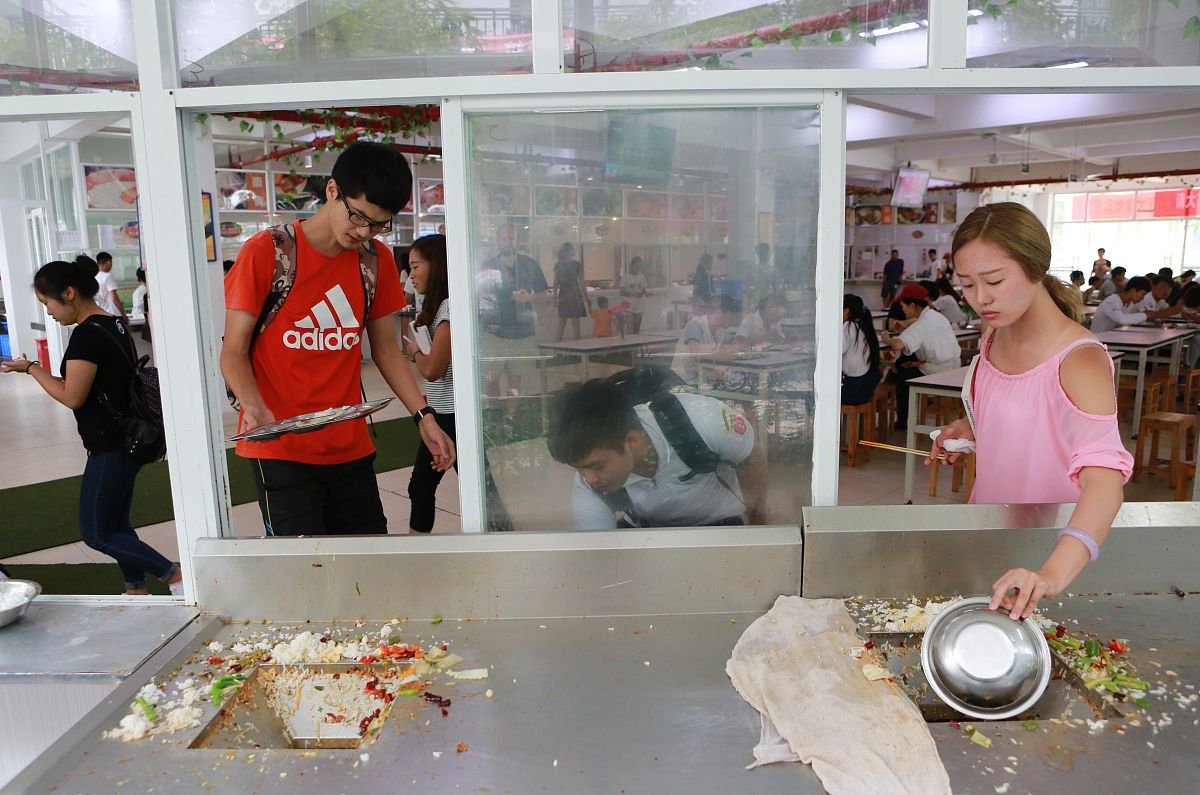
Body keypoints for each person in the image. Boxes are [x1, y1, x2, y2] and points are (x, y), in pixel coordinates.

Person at [221, 141, 454, 536]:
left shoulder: (374, 259)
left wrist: (423, 415)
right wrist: (253, 404)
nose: (364, 231)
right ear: (332, 192)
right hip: (281, 446)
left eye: (379, 224)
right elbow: (233, 350)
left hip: (350, 444)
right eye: (358, 216)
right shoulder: (268, 252)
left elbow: (385, 349)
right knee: (306, 573)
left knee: (366, 565)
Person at [929, 202, 1134, 621]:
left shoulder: (1078, 360)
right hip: (987, 530)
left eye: (995, 281)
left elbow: (1105, 481)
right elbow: (1018, 411)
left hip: (1050, 552)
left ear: (1036, 268)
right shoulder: (993, 333)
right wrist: (971, 427)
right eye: (967, 285)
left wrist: (1051, 574)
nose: (980, 299)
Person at [1, 260, 183, 596]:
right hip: (130, 436)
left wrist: (31, 368)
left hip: (111, 443)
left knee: (97, 532)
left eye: (48, 303)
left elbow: (72, 395)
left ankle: (174, 575)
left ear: (68, 293)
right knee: (117, 524)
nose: (51, 312)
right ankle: (135, 589)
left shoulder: (85, 335)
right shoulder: (112, 324)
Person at [547, 377, 768, 529]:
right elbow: (598, 555)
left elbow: (750, 458)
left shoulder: (704, 421)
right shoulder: (589, 485)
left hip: (719, 525)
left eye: (597, 466)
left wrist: (755, 517)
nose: (590, 479)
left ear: (631, 441)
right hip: (647, 534)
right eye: (579, 469)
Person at [400, 235, 455, 535]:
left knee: (421, 487)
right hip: (446, 410)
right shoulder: (441, 307)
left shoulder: (447, 308)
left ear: (438, 265)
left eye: (416, 266)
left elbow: (433, 369)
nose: (412, 276)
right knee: (421, 487)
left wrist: (416, 352)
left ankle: (417, 549)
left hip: (451, 414)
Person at [478, 222, 550, 417]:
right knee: (491, 378)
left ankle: (510, 419)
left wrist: (530, 298)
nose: (508, 242)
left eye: (511, 238)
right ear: (497, 241)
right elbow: (479, 294)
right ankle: (493, 414)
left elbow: (545, 295)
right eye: (503, 238)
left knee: (516, 380)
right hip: (495, 331)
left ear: (518, 240)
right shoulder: (489, 266)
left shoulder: (529, 264)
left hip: (523, 332)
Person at [880, 283, 961, 430]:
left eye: (904, 307)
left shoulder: (922, 323)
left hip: (938, 370)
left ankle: (903, 421)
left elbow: (897, 345)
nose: (903, 311)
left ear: (912, 305)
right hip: (953, 366)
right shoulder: (936, 316)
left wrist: (886, 339)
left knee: (902, 377)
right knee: (903, 365)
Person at [670, 295, 741, 383]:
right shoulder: (695, 325)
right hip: (684, 380)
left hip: (702, 379)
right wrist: (724, 356)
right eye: (731, 317)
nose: (733, 321)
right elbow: (695, 353)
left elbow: (736, 345)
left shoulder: (720, 330)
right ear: (719, 312)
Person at [1090, 275, 1181, 333]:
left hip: (1111, 338)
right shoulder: (1112, 301)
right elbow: (1122, 320)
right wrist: (1145, 315)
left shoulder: (1124, 303)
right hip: (1099, 340)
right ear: (1133, 290)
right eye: (1142, 294)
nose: (1142, 298)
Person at [841, 294, 881, 405]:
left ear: (846, 311)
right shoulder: (864, 325)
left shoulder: (848, 326)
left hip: (854, 389)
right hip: (866, 386)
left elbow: (836, 352)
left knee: (817, 393)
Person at [553, 241, 589, 341]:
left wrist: (555, 297)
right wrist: (586, 298)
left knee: (562, 321)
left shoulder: (558, 265)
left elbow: (556, 283)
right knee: (575, 321)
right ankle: (576, 347)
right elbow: (582, 282)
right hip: (575, 294)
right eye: (573, 249)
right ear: (569, 251)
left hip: (564, 294)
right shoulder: (577, 264)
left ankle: (557, 346)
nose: (574, 251)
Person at [89, 253, 127, 324]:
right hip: (114, 313)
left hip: (103, 314)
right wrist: (124, 314)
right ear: (108, 262)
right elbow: (114, 298)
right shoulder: (108, 276)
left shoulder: (94, 278)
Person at [620, 257, 648, 334]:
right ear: (632, 265)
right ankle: (628, 344)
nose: (638, 269)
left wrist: (648, 293)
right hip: (628, 304)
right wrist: (633, 294)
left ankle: (636, 343)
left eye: (640, 267)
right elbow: (621, 292)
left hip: (639, 304)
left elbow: (644, 291)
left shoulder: (641, 276)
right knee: (630, 327)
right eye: (637, 266)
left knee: (637, 327)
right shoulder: (625, 277)